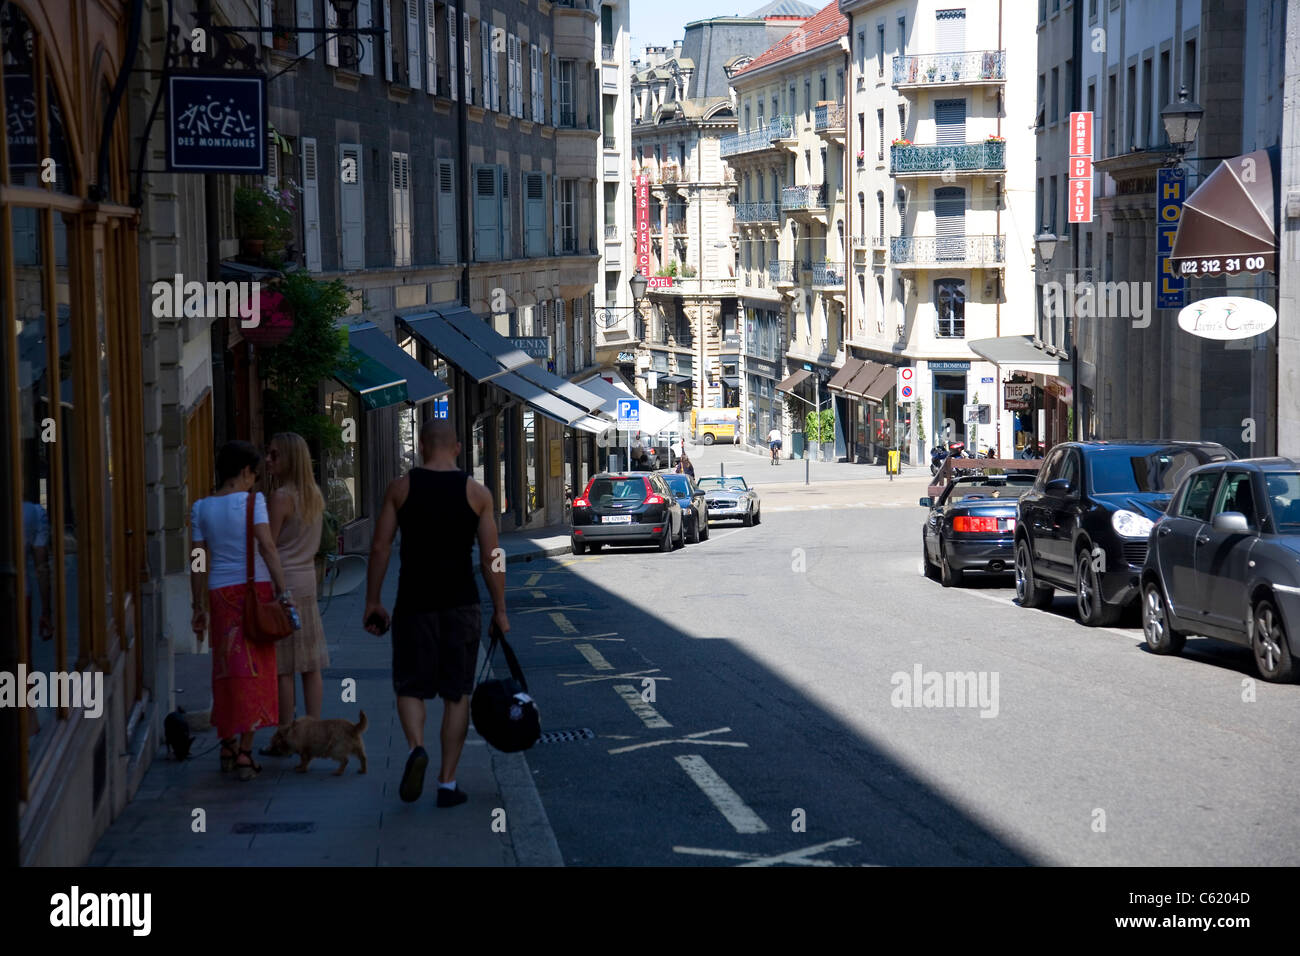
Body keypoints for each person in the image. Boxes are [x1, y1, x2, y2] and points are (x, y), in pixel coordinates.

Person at [364, 420, 509, 808]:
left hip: (414, 604)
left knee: (410, 686)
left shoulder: (400, 488)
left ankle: (415, 748)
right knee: (456, 694)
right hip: (462, 604)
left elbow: (379, 548)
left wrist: (372, 600)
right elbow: (491, 556)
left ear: (422, 446)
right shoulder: (477, 493)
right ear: (458, 448)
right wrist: (500, 608)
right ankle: (447, 783)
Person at [190, 440, 294, 781]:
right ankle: (246, 752)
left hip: (220, 594)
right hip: (255, 592)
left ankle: (227, 744)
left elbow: (198, 561)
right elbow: (266, 547)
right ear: (246, 472)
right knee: (256, 670)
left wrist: (198, 604)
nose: (256, 481)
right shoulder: (254, 504)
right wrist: (283, 590)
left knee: (225, 668)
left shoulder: (200, 508)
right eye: (255, 474)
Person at [259, 432, 330, 757]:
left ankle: (286, 736)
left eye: (274, 455)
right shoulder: (313, 493)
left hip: (283, 584)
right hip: (307, 582)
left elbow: (268, 544)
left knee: (284, 666)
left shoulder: (280, 498)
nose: (268, 460)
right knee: (310, 663)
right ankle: (313, 731)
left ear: (289, 458)